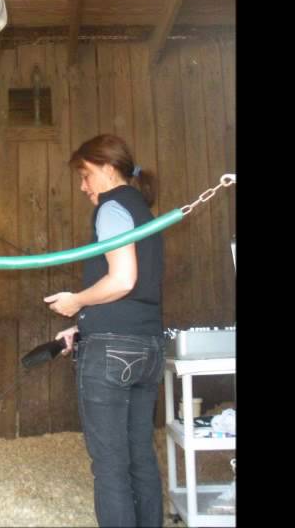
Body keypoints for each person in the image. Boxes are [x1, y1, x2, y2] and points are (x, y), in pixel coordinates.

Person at [44, 133, 166, 528]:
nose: (83, 186)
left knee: (111, 467)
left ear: (108, 170)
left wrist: (76, 302)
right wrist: (83, 329)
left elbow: (122, 280)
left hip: (113, 355)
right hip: (146, 348)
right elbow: (134, 294)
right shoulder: (144, 212)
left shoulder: (112, 207)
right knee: (140, 458)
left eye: (85, 174)